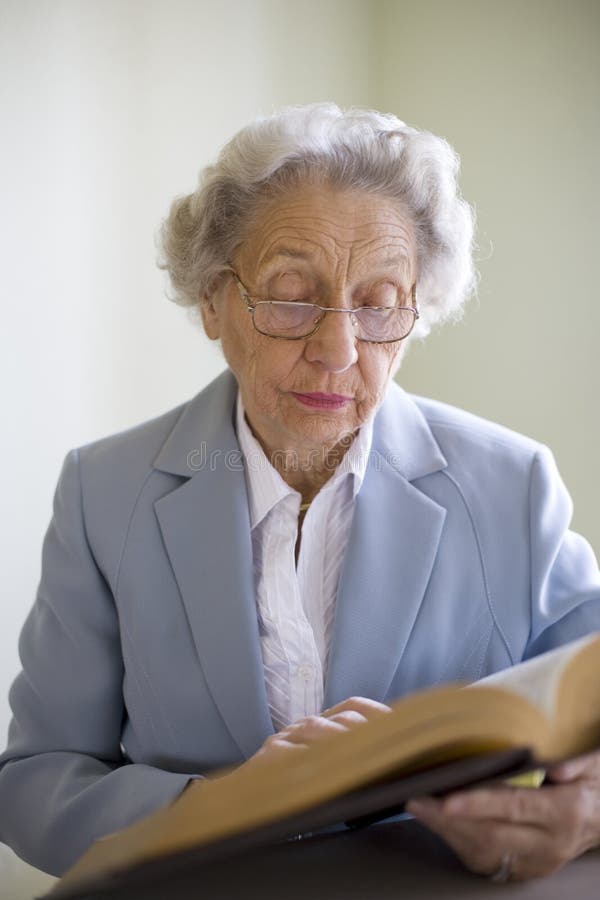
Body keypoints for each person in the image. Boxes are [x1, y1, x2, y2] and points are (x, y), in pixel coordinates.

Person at [1, 103, 600, 883]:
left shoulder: (511, 486)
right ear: (214, 300)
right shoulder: (105, 492)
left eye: (380, 303)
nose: (338, 348)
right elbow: (36, 780)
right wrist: (216, 804)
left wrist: (583, 815)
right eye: (291, 294)